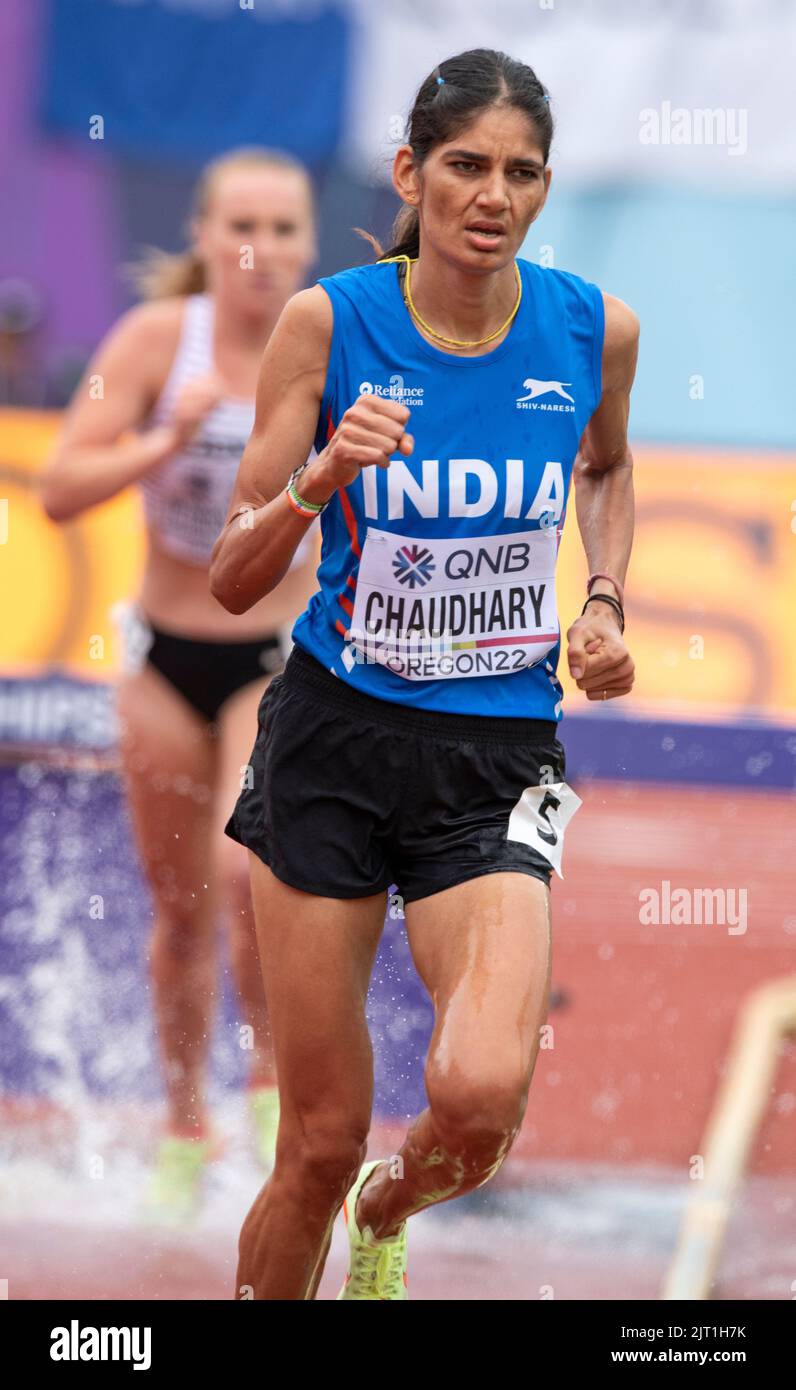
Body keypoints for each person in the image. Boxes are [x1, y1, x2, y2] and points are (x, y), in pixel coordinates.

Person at [210, 49, 638, 1300]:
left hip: (494, 757)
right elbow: (237, 573)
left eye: (519, 172)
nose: (491, 194)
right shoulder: (330, 322)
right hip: (335, 741)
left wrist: (602, 597)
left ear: (544, 189)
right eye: (464, 166)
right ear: (411, 171)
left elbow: (606, 469)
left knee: (479, 1101)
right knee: (315, 1143)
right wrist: (322, 478)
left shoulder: (589, 327)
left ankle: (389, 1210)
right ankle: (340, 1195)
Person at [39, 147, 319, 1219]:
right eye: (240, 226)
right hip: (162, 652)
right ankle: (182, 1130)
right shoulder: (159, 340)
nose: (261, 250)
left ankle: (265, 1094)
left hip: (269, 653)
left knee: (242, 877)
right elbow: (62, 486)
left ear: (306, 240)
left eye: (284, 228)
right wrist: (163, 437)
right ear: (204, 236)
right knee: (181, 903)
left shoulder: (327, 340)